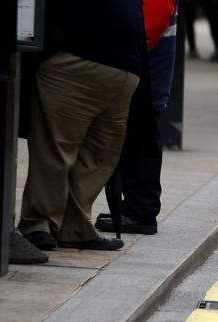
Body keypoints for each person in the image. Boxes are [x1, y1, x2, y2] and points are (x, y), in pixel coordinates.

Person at [18, 0, 145, 252]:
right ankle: (39, 225)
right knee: (56, 151)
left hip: (123, 66)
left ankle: (74, 226)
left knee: (99, 157)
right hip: (75, 58)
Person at [96, 0, 178, 236]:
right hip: (147, 64)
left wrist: (129, 50)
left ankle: (140, 212)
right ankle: (135, 208)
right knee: (138, 139)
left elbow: (155, 17)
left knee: (140, 140)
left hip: (146, 66)